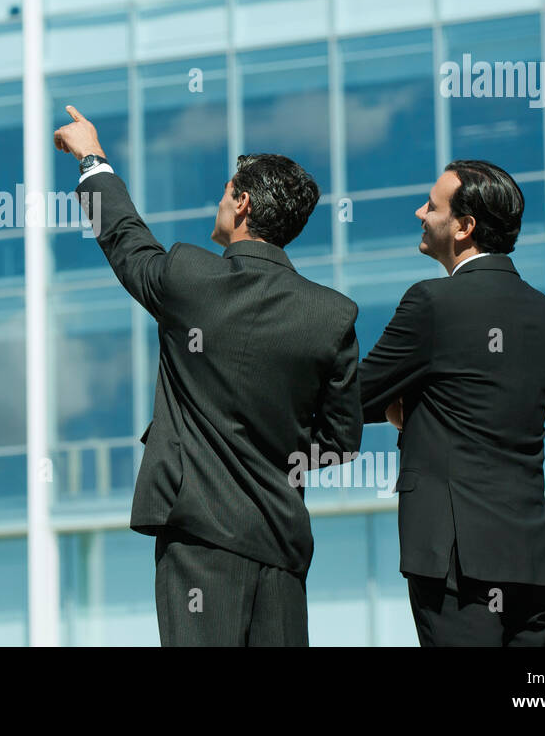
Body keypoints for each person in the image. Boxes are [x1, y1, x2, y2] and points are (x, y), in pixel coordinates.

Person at [53, 105, 362, 646]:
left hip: (199, 536)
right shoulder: (332, 315)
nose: (219, 202)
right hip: (282, 545)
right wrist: (281, 446)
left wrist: (91, 158)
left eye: (225, 192)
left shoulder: (189, 277)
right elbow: (340, 442)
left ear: (242, 204)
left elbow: (124, 237)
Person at [359, 160, 545, 646]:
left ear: (464, 227)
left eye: (432, 206)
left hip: (457, 559)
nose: (420, 212)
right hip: (530, 556)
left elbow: (353, 395)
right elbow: (482, 397)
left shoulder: (433, 302)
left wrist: (400, 408)